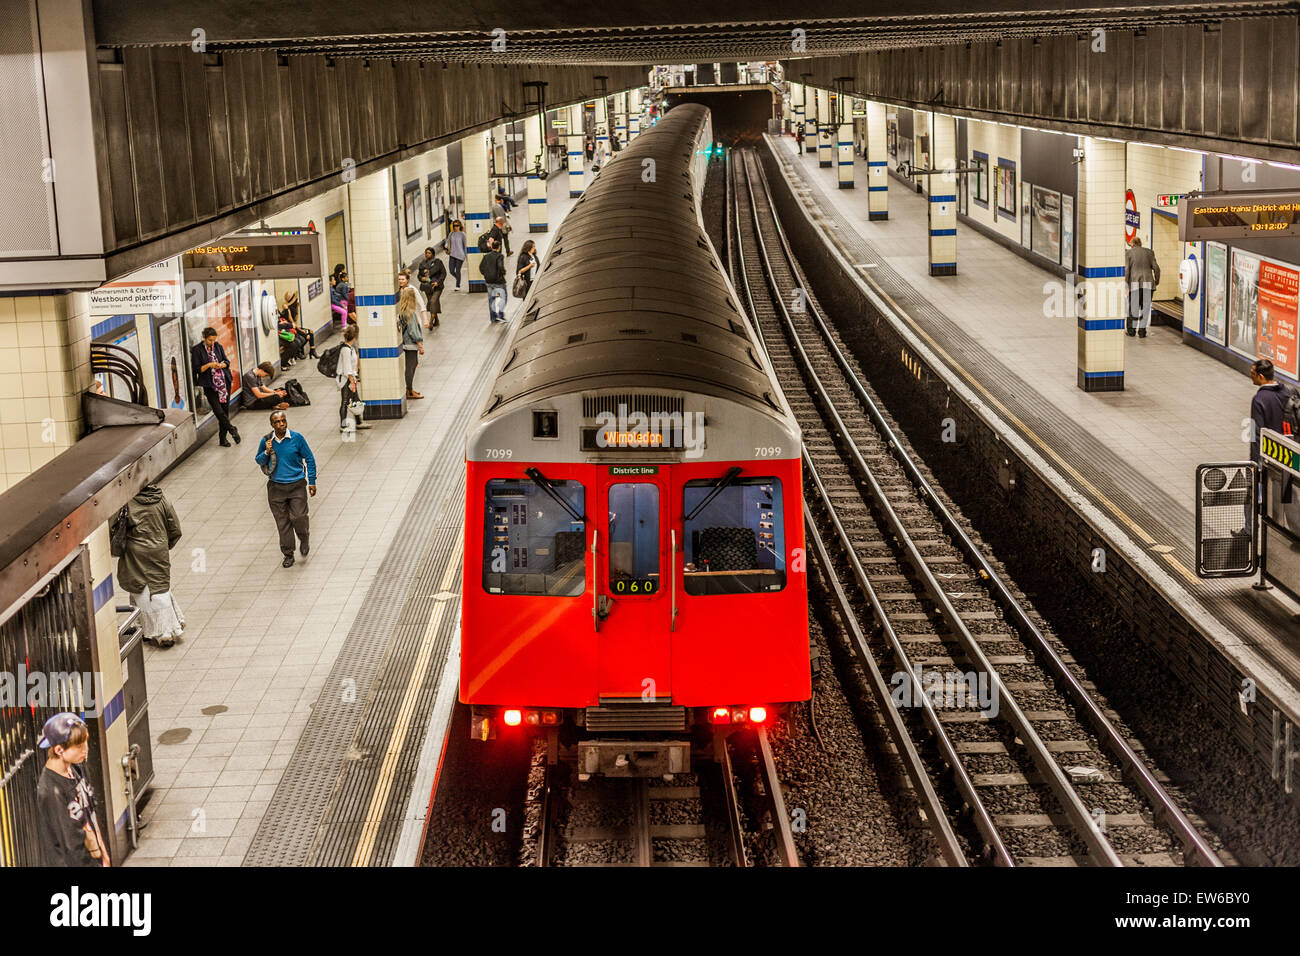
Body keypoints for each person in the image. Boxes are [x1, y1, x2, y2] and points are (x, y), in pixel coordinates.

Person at [36, 713, 109, 867]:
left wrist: (102, 850)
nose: (85, 750)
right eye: (79, 746)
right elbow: (70, 845)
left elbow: (90, 813)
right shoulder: (51, 790)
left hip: (92, 857)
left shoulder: (75, 767)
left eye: (85, 743)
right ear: (59, 750)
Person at [116, 483, 185, 647]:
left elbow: (114, 529)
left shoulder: (125, 503)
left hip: (135, 553)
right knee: (160, 588)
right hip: (158, 549)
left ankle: (155, 630)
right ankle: (164, 628)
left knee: (139, 587)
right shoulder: (161, 499)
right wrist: (164, 545)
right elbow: (175, 529)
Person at [255, 410, 317, 568]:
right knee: (282, 523)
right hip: (276, 488)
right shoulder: (266, 440)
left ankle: (304, 537)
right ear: (272, 425)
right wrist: (266, 451)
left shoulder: (297, 438)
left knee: (299, 517)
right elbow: (259, 460)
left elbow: (309, 459)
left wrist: (312, 481)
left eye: (283, 420)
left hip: (297, 485)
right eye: (277, 422)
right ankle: (288, 554)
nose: (281, 424)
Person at [190, 327, 240, 447]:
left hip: (223, 384)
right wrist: (209, 365)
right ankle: (232, 429)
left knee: (224, 412)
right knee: (218, 411)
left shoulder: (218, 346)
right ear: (204, 338)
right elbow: (197, 369)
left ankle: (223, 439)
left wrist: (222, 365)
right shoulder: (197, 350)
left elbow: (227, 362)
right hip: (210, 385)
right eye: (209, 340)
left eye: (213, 340)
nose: (212, 343)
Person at [336, 323, 371, 433]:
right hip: (346, 380)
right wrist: (352, 380)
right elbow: (347, 368)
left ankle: (359, 422)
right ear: (355, 336)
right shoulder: (346, 350)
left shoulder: (349, 348)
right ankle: (343, 425)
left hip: (351, 378)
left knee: (355, 400)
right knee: (345, 401)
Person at [1124, 237, 1161, 338]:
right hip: (1149, 283)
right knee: (1145, 308)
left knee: (1133, 308)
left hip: (1135, 283)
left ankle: (1131, 331)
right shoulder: (1149, 252)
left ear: (1132, 244)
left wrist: (1126, 284)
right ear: (1140, 243)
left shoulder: (1129, 253)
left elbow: (1127, 270)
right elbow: (1157, 268)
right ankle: (1142, 332)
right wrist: (1156, 281)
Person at [398, 287, 425, 400]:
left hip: (406, 342)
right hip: (411, 343)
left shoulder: (403, 311)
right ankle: (409, 390)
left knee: (412, 365)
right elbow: (413, 330)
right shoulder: (410, 313)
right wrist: (420, 345)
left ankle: (410, 388)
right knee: (411, 366)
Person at [281, 290, 317, 359]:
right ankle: (298, 351)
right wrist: (300, 330)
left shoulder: (293, 307)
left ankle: (312, 351)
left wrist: (297, 307)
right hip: (290, 329)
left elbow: (296, 319)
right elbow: (292, 322)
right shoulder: (287, 309)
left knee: (310, 332)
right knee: (307, 335)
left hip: (294, 327)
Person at [480, 237, 508, 323]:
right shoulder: (500, 256)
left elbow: (481, 267)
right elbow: (500, 266)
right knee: (503, 297)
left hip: (489, 282)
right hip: (498, 281)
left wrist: (486, 275)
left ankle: (493, 318)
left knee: (491, 299)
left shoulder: (486, 256)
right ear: (499, 247)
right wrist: (503, 272)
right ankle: (500, 315)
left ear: (492, 247)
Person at [416, 247, 446, 329]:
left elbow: (443, 273)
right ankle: (436, 320)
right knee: (431, 302)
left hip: (437, 287)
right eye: (426, 253)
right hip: (427, 287)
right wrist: (421, 278)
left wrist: (438, 282)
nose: (427, 254)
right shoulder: (422, 264)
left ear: (433, 254)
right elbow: (419, 275)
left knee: (433, 301)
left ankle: (431, 321)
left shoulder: (438, 262)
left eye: (429, 253)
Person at [447, 220, 468, 291]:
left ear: (460, 226)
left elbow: (465, 246)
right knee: (451, 270)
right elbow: (447, 242)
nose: (455, 227)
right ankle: (458, 278)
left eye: (457, 225)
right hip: (452, 254)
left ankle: (457, 285)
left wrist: (465, 256)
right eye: (454, 226)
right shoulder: (451, 234)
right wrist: (446, 247)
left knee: (458, 270)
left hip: (460, 255)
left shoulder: (463, 234)